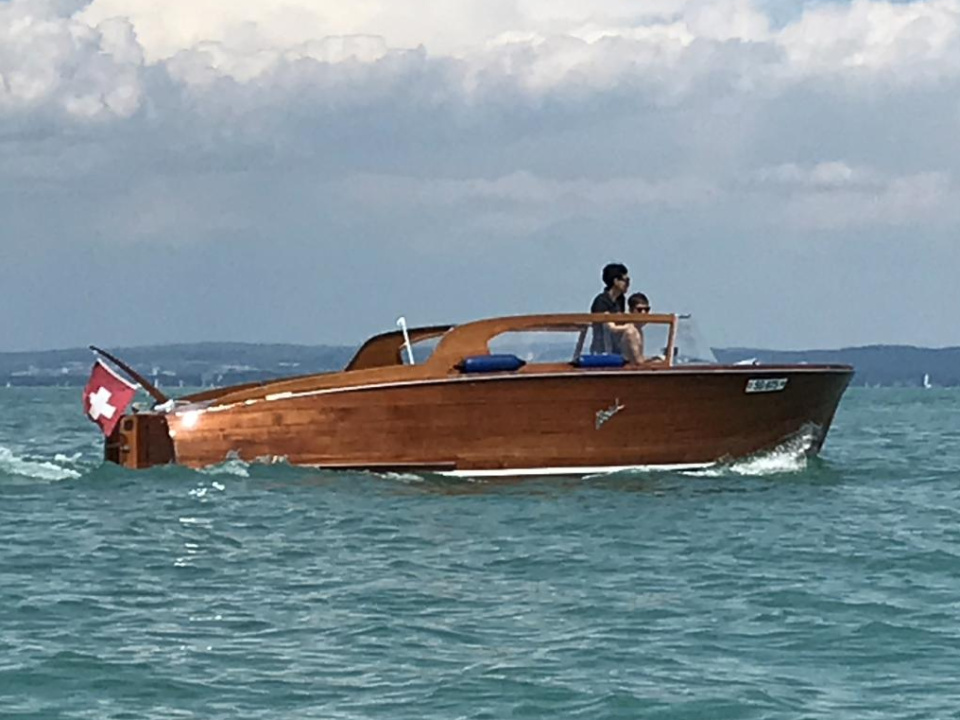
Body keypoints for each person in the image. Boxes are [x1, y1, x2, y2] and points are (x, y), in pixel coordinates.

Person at [590, 263, 630, 353]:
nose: (628, 284)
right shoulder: (601, 301)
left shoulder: (620, 300)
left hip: (617, 347)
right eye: (626, 281)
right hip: (602, 350)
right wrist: (630, 328)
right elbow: (608, 327)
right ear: (616, 281)